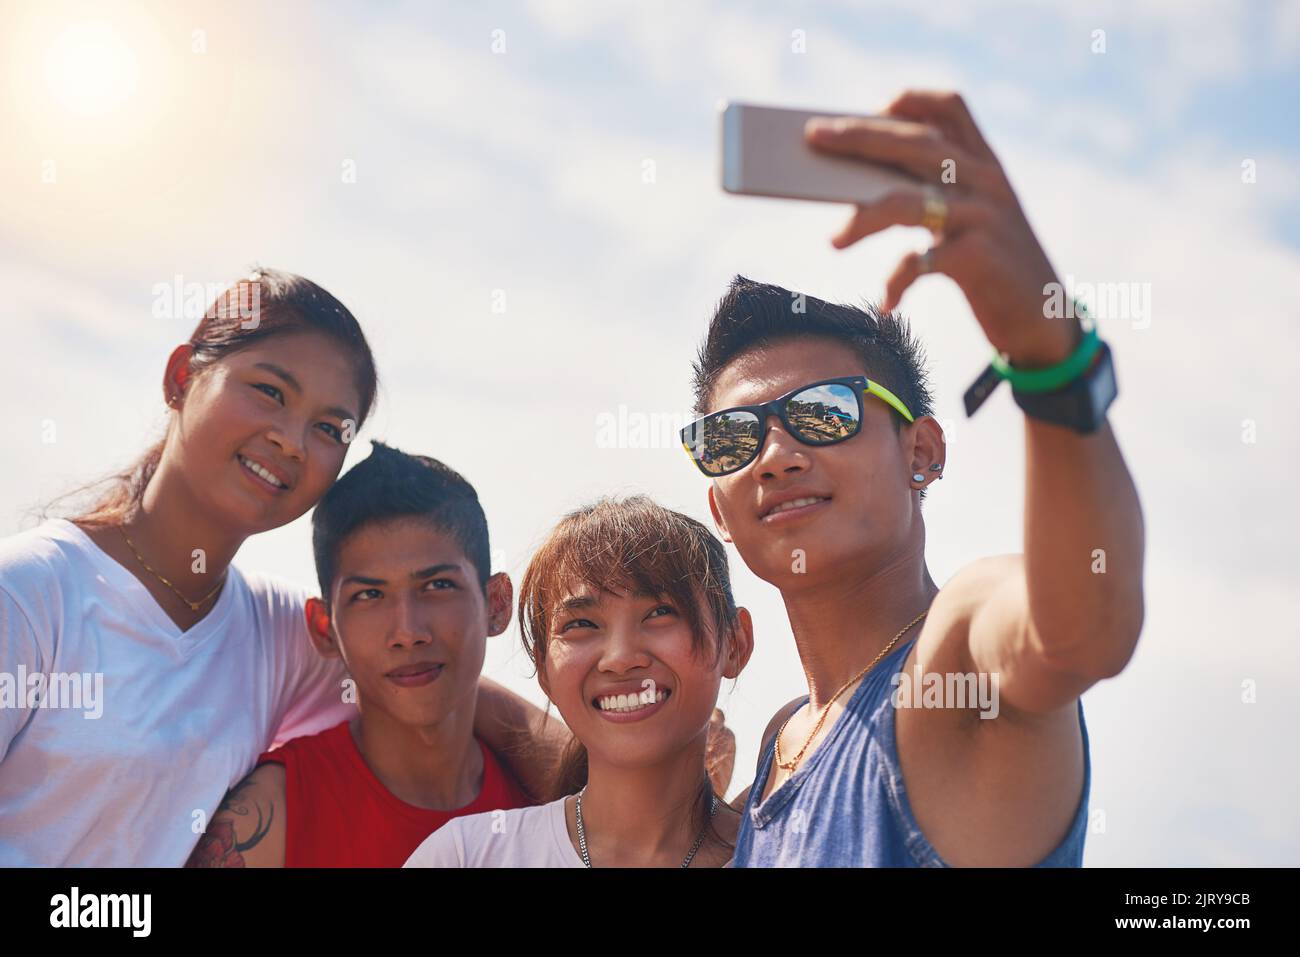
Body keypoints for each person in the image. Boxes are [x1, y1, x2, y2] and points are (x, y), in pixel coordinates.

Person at [679, 88, 1144, 866]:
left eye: (825, 412)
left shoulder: (951, 660)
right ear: (718, 511)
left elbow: (1080, 632)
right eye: (731, 438)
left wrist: (1047, 351)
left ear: (923, 451)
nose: (777, 454)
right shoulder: (781, 746)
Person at [0, 268, 380, 866]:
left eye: (329, 428)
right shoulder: (28, 594)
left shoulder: (279, 634)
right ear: (182, 378)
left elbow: (432, 677)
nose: (291, 441)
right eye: (270, 391)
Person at [186, 442, 532, 867]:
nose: (408, 632)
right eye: (369, 594)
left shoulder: (546, 801)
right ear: (325, 629)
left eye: (438, 585)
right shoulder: (271, 819)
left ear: (495, 604)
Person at [404, 495, 753, 868]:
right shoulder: (466, 856)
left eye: (659, 613)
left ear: (735, 643)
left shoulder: (790, 853)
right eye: (581, 625)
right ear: (544, 669)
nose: (619, 658)